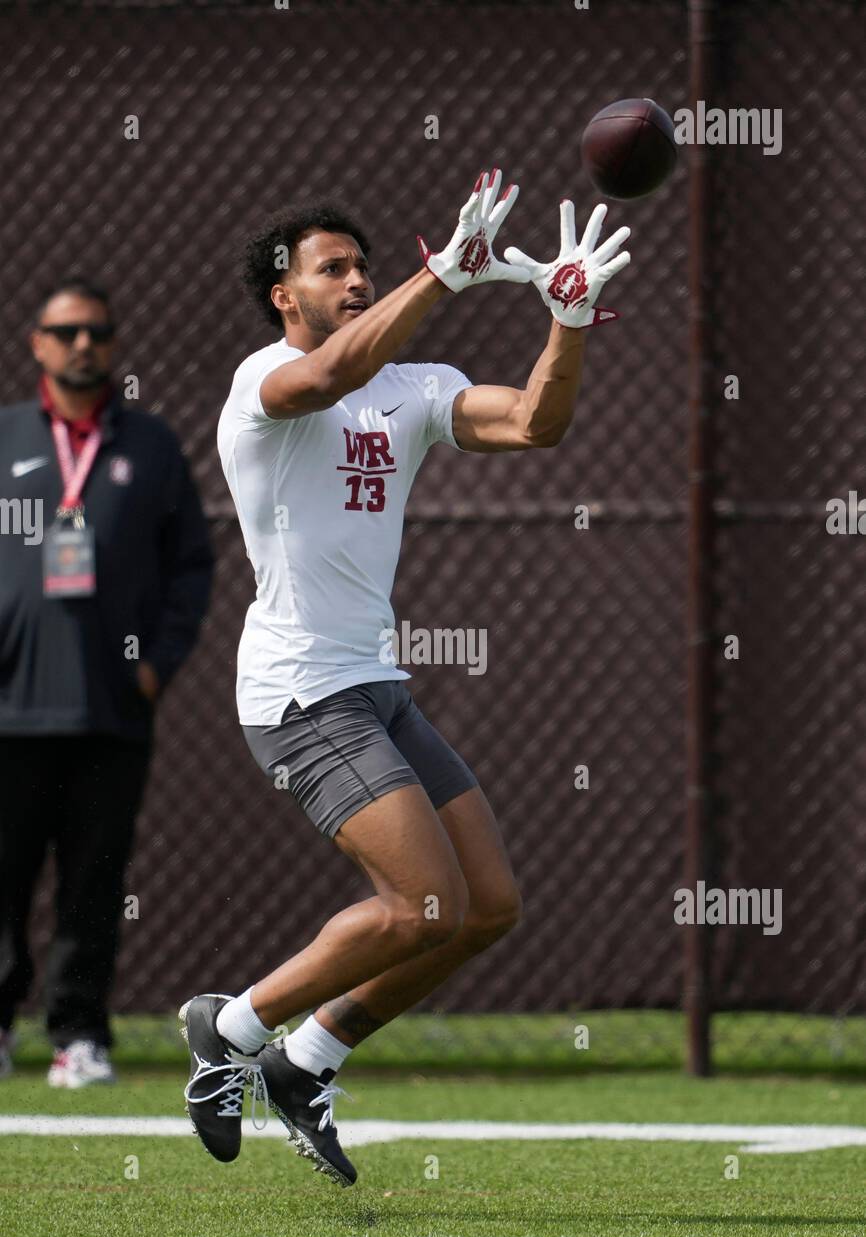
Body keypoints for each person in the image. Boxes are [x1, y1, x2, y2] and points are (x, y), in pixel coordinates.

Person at [181, 170, 631, 1184]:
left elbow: (532, 423)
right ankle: (233, 1025)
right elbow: (334, 372)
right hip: (299, 691)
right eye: (328, 268)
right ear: (281, 296)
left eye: (360, 265)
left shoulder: (413, 385)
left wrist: (566, 322)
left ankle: (310, 1056)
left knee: (484, 907)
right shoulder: (264, 383)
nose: (352, 278)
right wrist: (441, 273)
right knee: (421, 904)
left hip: (373, 684)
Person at [0, 277, 214, 1087]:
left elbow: (191, 565)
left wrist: (155, 663)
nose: (82, 344)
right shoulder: (6, 436)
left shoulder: (149, 446)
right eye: (66, 332)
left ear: (114, 346)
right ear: (38, 344)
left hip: (112, 706)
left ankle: (79, 1036)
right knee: (3, 875)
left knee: (94, 881)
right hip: (9, 707)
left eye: (97, 331)